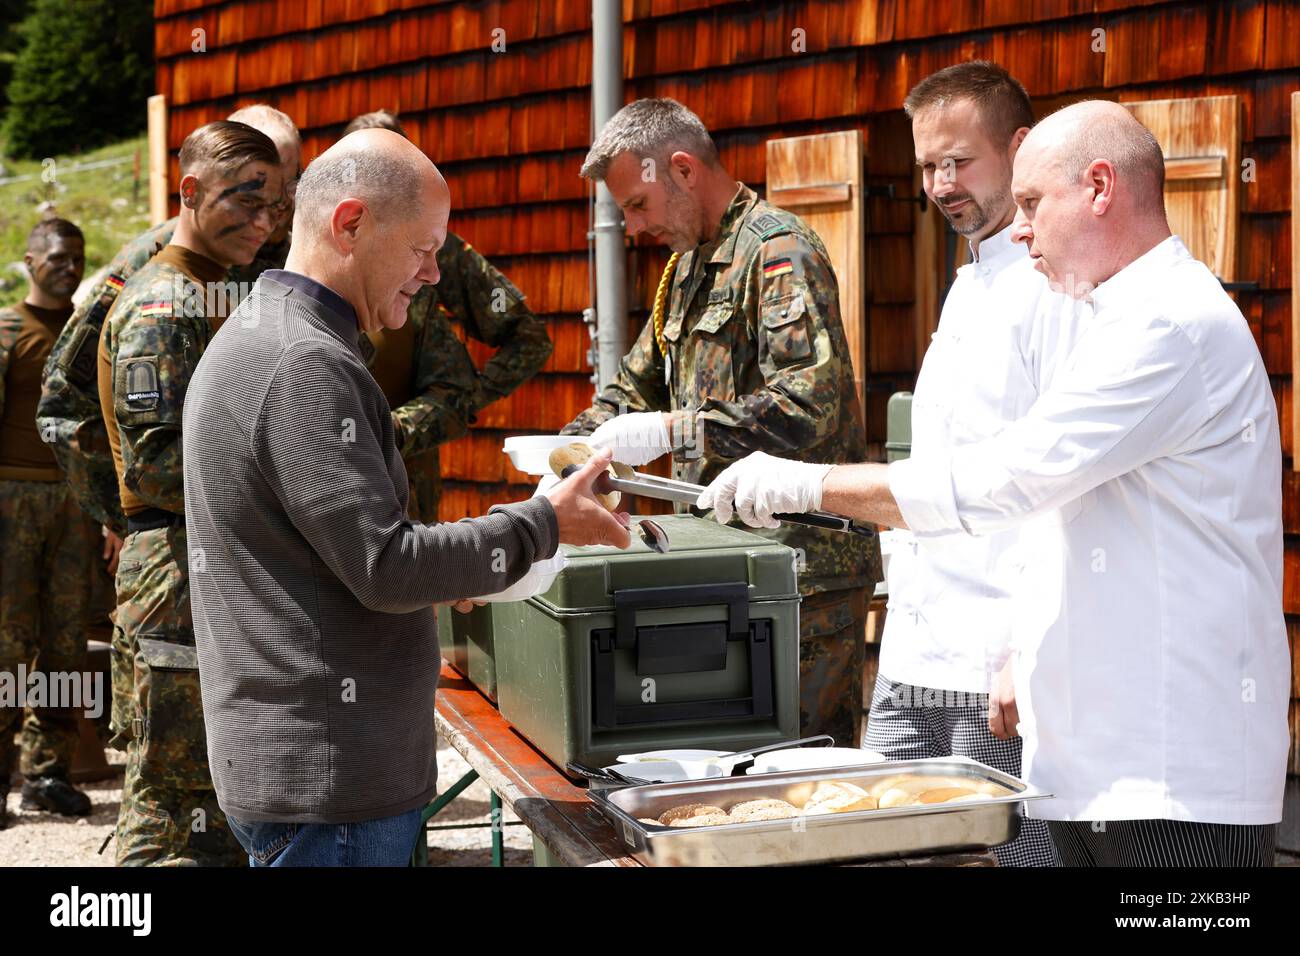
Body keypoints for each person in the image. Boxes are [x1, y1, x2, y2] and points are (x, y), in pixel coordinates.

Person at [700, 101, 1290, 866]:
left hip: (1173, 778)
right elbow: (1060, 514)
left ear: (1101, 187)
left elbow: (1006, 481)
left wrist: (804, 484)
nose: (1019, 228)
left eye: (1035, 203)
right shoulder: (1111, 315)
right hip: (1092, 763)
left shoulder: (1171, 324)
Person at [182, 128, 630, 867]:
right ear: (350, 223)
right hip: (332, 786)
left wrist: (460, 568)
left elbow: (334, 552)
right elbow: (386, 567)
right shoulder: (305, 362)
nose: (431, 274)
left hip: (308, 773)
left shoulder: (269, 332)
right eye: (425, 249)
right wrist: (544, 524)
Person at [560, 98, 880, 746]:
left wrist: (674, 431)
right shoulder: (683, 271)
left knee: (803, 770)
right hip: (725, 559)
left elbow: (810, 402)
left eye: (637, 205)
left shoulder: (778, 250)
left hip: (803, 571)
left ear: (681, 170)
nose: (632, 226)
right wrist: (570, 449)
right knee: (730, 764)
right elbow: (633, 384)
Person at [857, 62, 1076, 867]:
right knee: (889, 852)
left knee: (1021, 861)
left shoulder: (1055, 290)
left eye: (960, 161)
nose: (941, 184)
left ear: (1020, 149)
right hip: (915, 653)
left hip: (996, 670)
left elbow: (1062, 485)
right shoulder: (968, 278)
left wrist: (1023, 649)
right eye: (926, 166)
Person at [98, 120, 285, 865]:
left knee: (214, 805)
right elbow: (152, 469)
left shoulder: (218, 293)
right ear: (190, 191)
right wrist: (284, 475)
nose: (264, 222)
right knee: (173, 816)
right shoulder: (164, 306)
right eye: (245, 200)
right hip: (177, 582)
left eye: (274, 206)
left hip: (204, 572)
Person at [38, 104, 301, 540]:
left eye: (285, 184)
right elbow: (66, 398)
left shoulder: (300, 257)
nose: (273, 211)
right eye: (249, 194)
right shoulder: (156, 267)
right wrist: (128, 518)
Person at [340, 110, 553, 522]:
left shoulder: (435, 248)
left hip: (406, 487)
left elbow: (526, 334)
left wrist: (455, 405)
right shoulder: (302, 248)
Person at [0, 218, 97, 827]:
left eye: (78, 257)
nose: (70, 266)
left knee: (64, 642)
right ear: (32, 260)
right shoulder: (7, 330)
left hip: (73, 504)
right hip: (10, 503)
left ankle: (46, 773)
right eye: (58, 257)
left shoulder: (87, 334)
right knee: (6, 644)